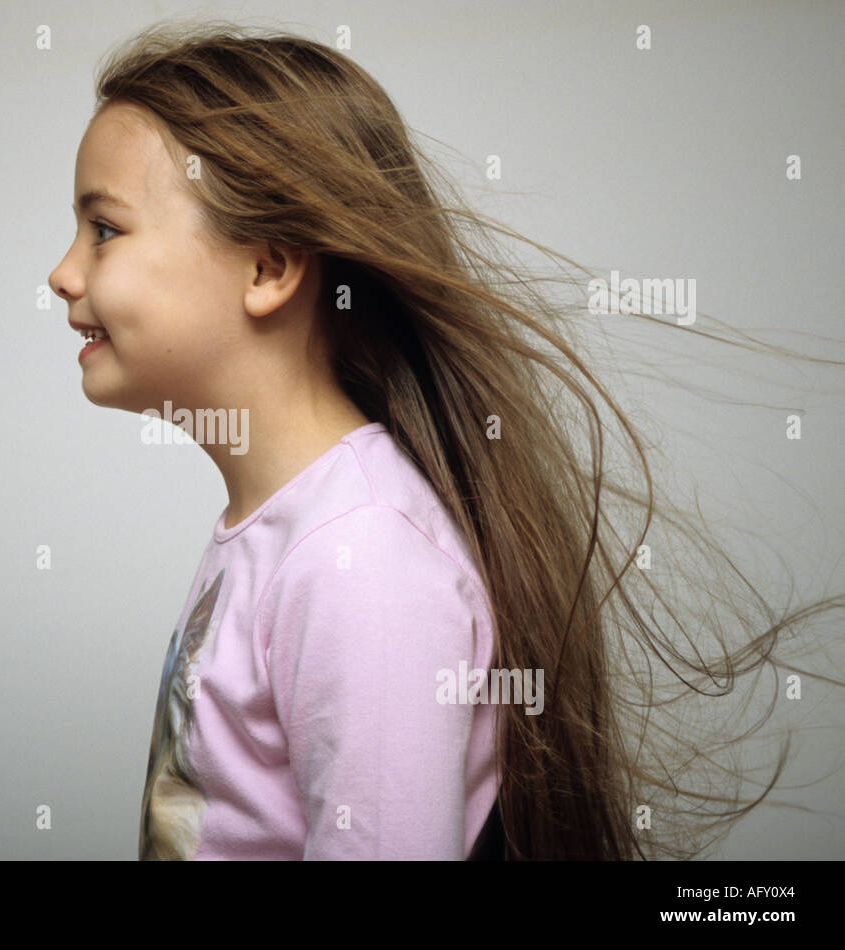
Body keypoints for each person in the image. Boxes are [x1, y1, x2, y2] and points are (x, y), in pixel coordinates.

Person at [47, 22, 842, 860]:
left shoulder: (360, 557)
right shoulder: (292, 534)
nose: (62, 272)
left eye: (104, 229)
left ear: (269, 268)